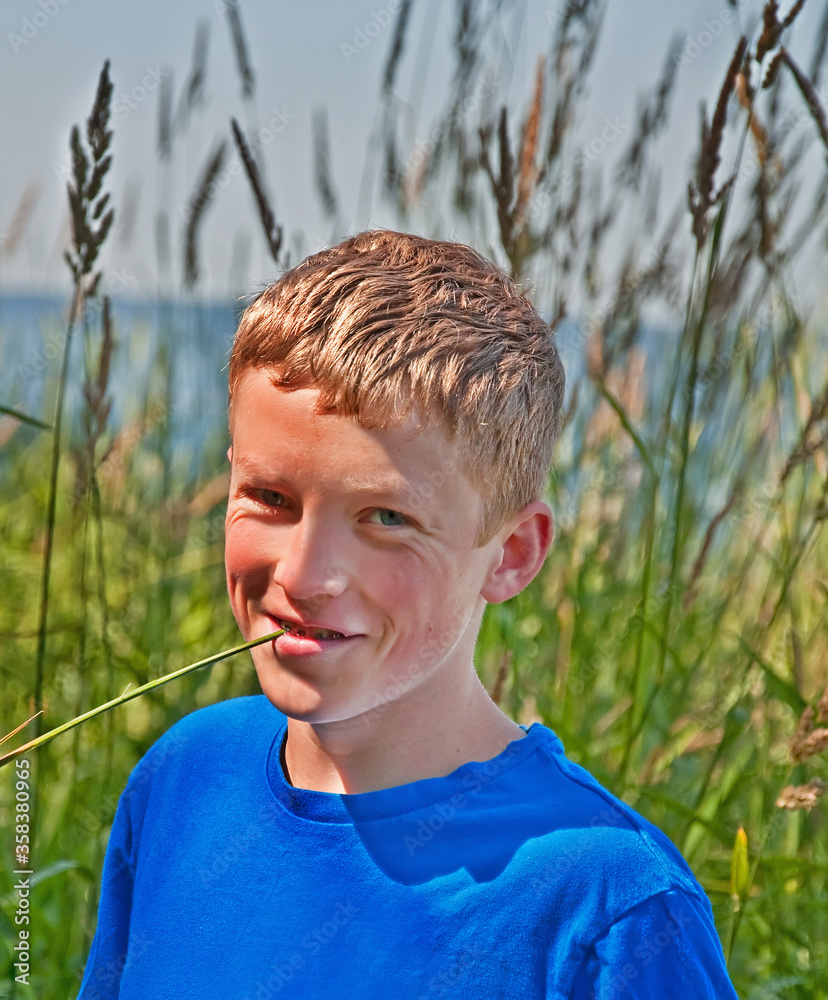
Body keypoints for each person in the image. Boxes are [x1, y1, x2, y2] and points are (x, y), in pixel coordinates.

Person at [78, 229, 739, 998]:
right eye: (270, 498)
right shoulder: (185, 777)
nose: (304, 575)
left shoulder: (607, 910)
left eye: (386, 518)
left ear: (514, 553)